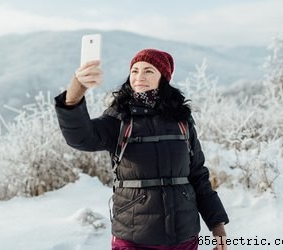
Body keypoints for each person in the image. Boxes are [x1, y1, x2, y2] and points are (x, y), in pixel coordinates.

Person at [54, 48, 229, 250]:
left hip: (183, 235)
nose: (139, 77)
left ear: (162, 77)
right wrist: (76, 91)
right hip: (133, 235)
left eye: (148, 71)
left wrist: (217, 226)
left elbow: (198, 175)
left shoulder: (182, 121)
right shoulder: (119, 118)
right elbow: (81, 138)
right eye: (135, 71)